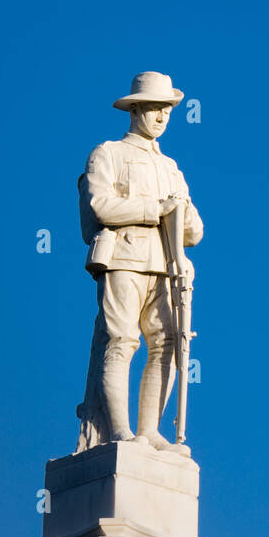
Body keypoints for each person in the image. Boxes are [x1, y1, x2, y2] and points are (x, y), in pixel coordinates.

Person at [75, 72, 202, 453]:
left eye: (168, 109)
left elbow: (194, 232)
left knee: (168, 344)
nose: (163, 116)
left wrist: (184, 214)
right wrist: (155, 209)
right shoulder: (108, 153)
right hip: (123, 258)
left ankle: (150, 431)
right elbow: (98, 207)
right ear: (135, 109)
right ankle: (119, 432)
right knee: (122, 340)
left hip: (165, 264)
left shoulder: (172, 167)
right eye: (155, 107)